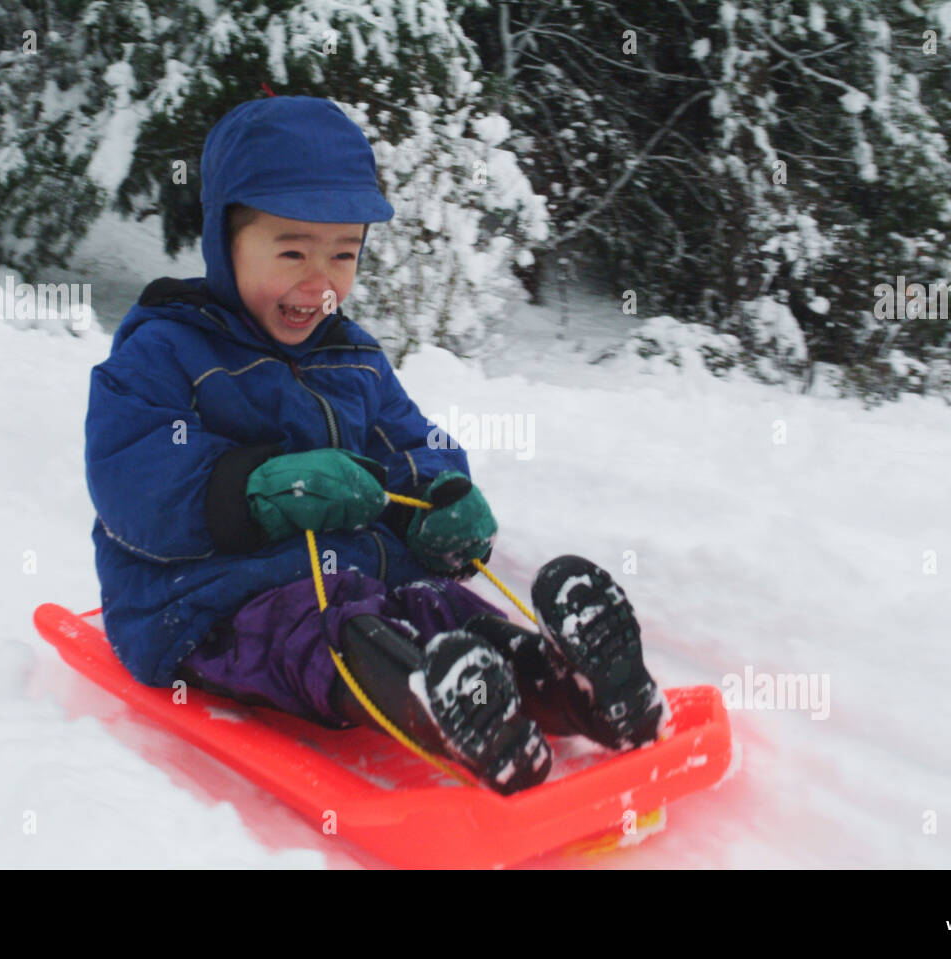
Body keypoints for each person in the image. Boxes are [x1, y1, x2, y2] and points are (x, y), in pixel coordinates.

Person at [84, 95, 667, 795]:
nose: (319, 280)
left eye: (343, 254)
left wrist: (439, 499)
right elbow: (131, 479)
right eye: (292, 250)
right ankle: (435, 699)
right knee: (320, 629)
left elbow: (410, 440)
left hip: (360, 578)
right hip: (209, 604)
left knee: (439, 610)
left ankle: (569, 687)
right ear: (223, 239)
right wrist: (258, 491)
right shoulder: (165, 350)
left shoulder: (354, 360)